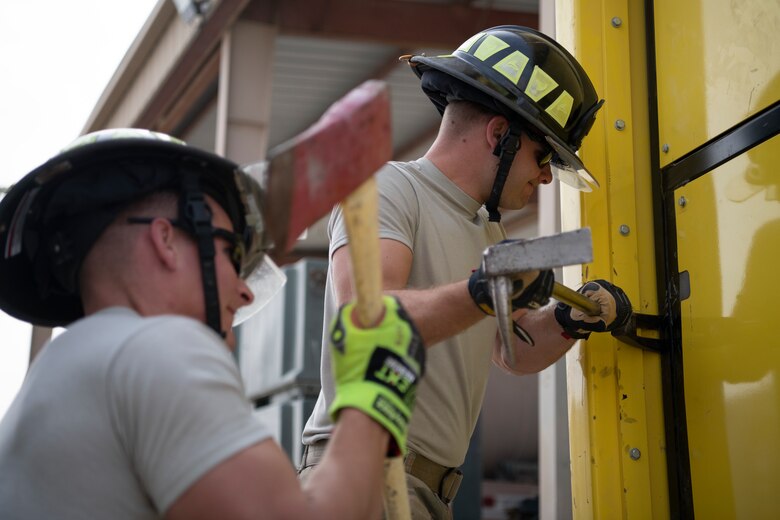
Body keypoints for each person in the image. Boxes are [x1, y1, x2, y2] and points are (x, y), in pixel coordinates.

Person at [0, 128, 425, 520]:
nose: (244, 293)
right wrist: (372, 396)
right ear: (165, 241)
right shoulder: (156, 349)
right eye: (230, 254)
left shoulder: (53, 376)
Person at [299, 25, 633, 518]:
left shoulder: (489, 232)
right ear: (499, 135)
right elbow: (366, 319)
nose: (545, 176)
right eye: (543, 156)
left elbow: (511, 350)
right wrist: (482, 291)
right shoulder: (384, 189)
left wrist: (568, 319)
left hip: (427, 491)